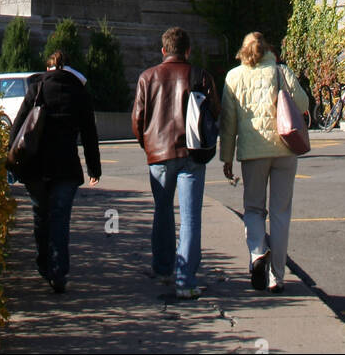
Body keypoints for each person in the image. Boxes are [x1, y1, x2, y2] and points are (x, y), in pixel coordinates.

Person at [132, 26, 220, 299]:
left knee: (162, 211)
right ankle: (186, 280)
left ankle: (162, 268)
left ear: (163, 51)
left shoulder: (148, 77)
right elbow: (214, 114)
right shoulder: (200, 76)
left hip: (158, 154)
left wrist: (148, 144)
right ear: (188, 50)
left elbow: (137, 119)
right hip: (191, 154)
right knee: (191, 218)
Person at [220, 33, 309, 294]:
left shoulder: (234, 77)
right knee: (281, 213)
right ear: (268, 49)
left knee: (254, 209)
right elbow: (303, 103)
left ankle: (258, 252)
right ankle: (277, 277)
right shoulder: (281, 71)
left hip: (252, 153)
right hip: (284, 149)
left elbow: (228, 122)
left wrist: (226, 157)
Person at [8, 49, 101, 293]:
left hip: (36, 166)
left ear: (48, 67)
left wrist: (11, 161)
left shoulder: (37, 88)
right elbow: (89, 134)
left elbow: (18, 127)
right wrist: (94, 168)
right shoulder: (79, 91)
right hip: (66, 167)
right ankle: (59, 272)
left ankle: (44, 264)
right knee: (60, 219)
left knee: (41, 215)